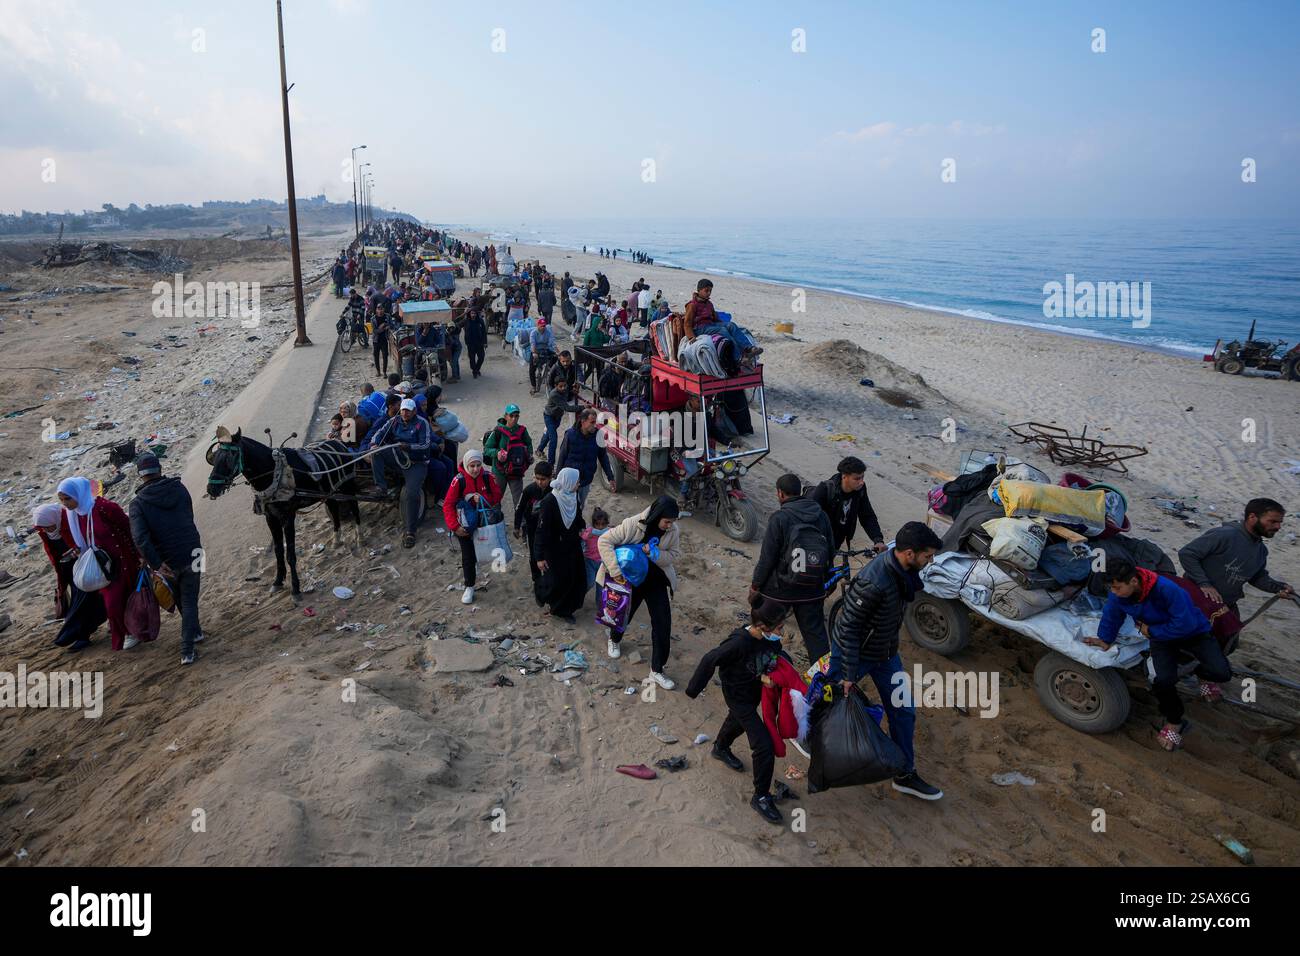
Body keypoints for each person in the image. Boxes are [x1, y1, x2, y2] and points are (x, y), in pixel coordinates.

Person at [829, 521, 944, 801]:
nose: (931, 562)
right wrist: (847, 673)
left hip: (886, 655)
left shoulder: (905, 574)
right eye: (927, 556)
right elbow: (848, 627)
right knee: (828, 704)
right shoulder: (874, 581)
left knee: (904, 712)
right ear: (909, 554)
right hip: (854, 655)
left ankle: (904, 774)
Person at [1085, 559, 1230, 751]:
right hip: (1162, 638)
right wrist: (1105, 638)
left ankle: (1203, 675)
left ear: (1133, 582)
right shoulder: (1119, 595)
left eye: (1117, 588)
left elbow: (1185, 624)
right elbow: (1112, 614)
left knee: (1222, 673)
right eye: (1111, 588)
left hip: (1193, 632)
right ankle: (1174, 721)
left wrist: (1152, 632)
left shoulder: (1168, 590)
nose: (1114, 593)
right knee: (1162, 681)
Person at [686, 599, 792, 824]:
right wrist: (693, 690)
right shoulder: (739, 643)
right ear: (764, 627)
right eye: (780, 628)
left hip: (754, 692)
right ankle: (761, 796)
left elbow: (774, 656)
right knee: (763, 745)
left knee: (737, 722)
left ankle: (721, 747)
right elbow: (710, 658)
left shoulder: (769, 641)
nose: (782, 633)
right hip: (737, 696)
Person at [127, 453, 205, 665]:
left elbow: (140, 539)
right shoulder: (180, 489)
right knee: (189, 599)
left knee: (182, 598)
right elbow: (188, 516)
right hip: (194, 551)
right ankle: (193, 636)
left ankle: (187, 648)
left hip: (166, 560)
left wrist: (157, 563)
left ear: (140, 475)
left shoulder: (137, 505)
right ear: (159, 469)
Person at [596, 496, 681, 688]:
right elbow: (604, 541)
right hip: (630, 581)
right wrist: (615, 571)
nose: (669, 526)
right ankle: (614, 640)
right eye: (667, 521)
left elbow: (673, 555)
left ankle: (657, 670)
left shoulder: (673, 530)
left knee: (662, 623)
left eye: (672, 522)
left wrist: (654, 554)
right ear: (657, 516)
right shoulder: (633, 524)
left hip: (656, 581)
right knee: (624, 614)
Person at [750, 474, 836, 663]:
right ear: (800, 492)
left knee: (764, 627)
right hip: (812, 590)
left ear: (780, 493)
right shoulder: (821, 516)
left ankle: (762, 669)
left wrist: (755, 586)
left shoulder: (780, 518)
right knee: (817, 638)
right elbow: (831, 551)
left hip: (780, 590)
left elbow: (767, 558)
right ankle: (823, 682)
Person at [57, 476, 142, 652]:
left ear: (79, 494)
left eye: (68, 498)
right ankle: (127, 631)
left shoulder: (105, 508)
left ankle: (132, 631)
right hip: (102, 566)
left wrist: (140, 555)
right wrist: (76, 551)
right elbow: (84, 542)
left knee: (126, 598)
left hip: (123, 561)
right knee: (112, 603)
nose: (65, 503)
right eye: (62, 499)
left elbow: (129, 529)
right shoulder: (75, 515)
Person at [1177, 498, 1292, 615]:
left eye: (1280, 522)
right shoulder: (1225, 535)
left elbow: (1257, 577)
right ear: (1252, 517)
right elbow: (1187, 554)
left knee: (1230, 632)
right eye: (1272, 521)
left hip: (1225, 606)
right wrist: (1204, 584)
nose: (1278, 527)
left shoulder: (1261, 550)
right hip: (1193, 598)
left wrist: (1279, 587)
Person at [369, 398, 436, 548]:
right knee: (377, 452)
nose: (404, 413)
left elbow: (425, 445)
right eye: (403, 410)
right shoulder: (394, 421)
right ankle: (381, 487)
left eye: (408, 410)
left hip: (416, 463)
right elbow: (378, 435)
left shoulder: (422, 423)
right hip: (398, 456)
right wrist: (374, 444)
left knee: (412, 493)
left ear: (414, 411)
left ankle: (410, 531)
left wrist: (409, 447)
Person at [442, 450, 504, 604]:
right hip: (465, 525)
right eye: (472, 466)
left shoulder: (487, 477)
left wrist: (482, 498)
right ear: (466, 465)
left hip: (484, 523)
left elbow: (497, 496)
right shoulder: (459, 480)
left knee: (483, 549)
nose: (475, 469)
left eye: (478, 465)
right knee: (468, 555)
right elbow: (448, 504)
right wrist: (455, 527)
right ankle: (469, 586)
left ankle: (476, 568)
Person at [533, 467, 588, 623]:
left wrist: (581, 527)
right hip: (555, 548)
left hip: (572, 546)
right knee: (558, 581)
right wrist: (539, 557)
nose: (578, 484)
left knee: (576, 578)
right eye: (576, 481)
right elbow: (541, 531)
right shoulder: (550, 502)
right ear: (568, 482)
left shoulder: (572, 496)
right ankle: (556, 607)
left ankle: (566, 610)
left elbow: (577, 517)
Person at [810, 456, 887, 554]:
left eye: (862, 477)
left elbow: (867, 515)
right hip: (819, 540)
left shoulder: (860, 490)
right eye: (857, 478)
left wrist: (878, 539)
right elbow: (811, 517)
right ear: (844, 476)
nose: (861, 482)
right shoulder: (825, 489)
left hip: (838, 538)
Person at [557, 408, 615, 514]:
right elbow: (562, 456)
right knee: (567, 508)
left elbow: (603, 457)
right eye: (592, 422)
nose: (595, 425)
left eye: (595, 422)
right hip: (570, 481)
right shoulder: (570, 435)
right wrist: (558, 478)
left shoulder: (599, 436)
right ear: (583, 422)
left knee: (580, 507)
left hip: (585, 480)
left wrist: (610, 477)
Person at [483, 404, 534, 520]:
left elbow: (529, 443)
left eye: (516, 416)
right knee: (496, 498)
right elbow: (487, 449)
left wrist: (529, 454)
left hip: (516, 470)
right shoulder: (498, 431)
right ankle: (496, 522)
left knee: (519, 500)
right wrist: (497, 453)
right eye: (511, 416)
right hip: (499, 471)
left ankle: (521, 526)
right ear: (505, 416)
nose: (514, 418)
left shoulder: (522, 430)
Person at [30, 503, 74, 620]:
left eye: (48, 526)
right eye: (43, 527)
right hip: (65, 567)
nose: (46, 530)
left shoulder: (70, 521)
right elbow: (52, 551)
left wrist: (74, 552)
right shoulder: (44, 531)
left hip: (80, 563)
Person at [514, 461, 553, 584]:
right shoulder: (529, 490)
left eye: (543, 479)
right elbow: (519, 508)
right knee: (534, 553)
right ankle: (536, 579)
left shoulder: (554, 490)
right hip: (532, 527)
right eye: (537, 478)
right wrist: (516, 526)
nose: (540, 482)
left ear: (550, 478)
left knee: (549, 553)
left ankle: (548, 577)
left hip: (549, 528)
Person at [539, 379, 582, 467]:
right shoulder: (554, 394)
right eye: (560, 386)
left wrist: (573, 391)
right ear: (556, 386)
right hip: (549, 417)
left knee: (549, 434)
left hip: (557, 417)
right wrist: (582, 407)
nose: (563, 388)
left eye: (564, 386)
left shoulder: (565, 390)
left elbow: (569, 394)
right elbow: (567, 408)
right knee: (553, 439)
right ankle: (551, 464)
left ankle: (539, 449)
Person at [581, 507, 610, 591]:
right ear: (594, 524)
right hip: (589, 561)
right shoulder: (590, 531)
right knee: (590, 582)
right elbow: (583, 536)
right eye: (598, 524)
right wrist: (588, 535)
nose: (600, 527)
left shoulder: (609, 532)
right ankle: (581, 595)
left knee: (601, 586)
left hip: (603, 563)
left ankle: (599, 603)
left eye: (603, 524)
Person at [529, 319, 557, 395]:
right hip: (536, 350)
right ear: (538, 325)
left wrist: (556, 351)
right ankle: (533, 386)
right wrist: (534, 353)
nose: (543, 327)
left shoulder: (548, 332)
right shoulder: (533, 333)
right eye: (541, 326)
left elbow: (552, 342)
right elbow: (532, 344)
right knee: (532, 369)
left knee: (556, 358)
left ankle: (549, 369)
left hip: (546, 349)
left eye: (544, 326)